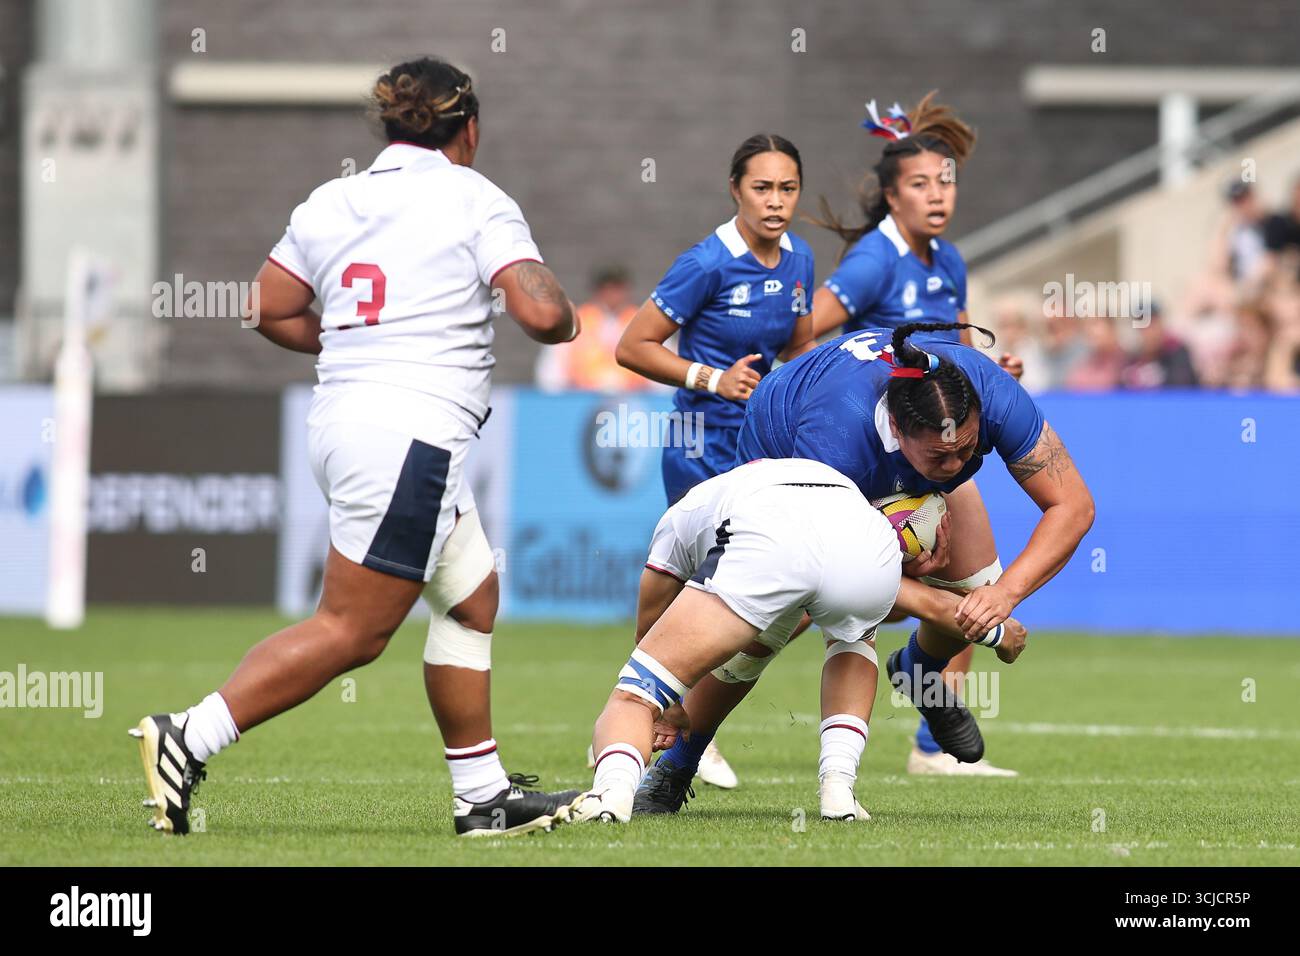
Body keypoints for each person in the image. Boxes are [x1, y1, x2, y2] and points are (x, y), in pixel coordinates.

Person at [130, 57, 583, 838]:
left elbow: (269, 307)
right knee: (352, 630)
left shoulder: (332, 199)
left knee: (472, 599)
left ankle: (481, 797)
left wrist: (353, 345)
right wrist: (559, 308)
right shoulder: (476, 198)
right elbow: (542, 317)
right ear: (468, 129)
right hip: (412, 434)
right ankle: (188, 736)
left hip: (345, 423)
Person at [559, 457, 1025, 825]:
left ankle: (613, 795)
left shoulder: (688, 512)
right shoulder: (850, 487)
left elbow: (654, 602)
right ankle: (838, 791)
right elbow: (922, 604)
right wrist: (1000, 628)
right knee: (853, 638)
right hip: (855, 539)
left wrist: (666, 695)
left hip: (770, 546)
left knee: (638, 692)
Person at [791, 91, 1022, 775]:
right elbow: (803, 336)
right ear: (893, 197)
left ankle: (931, 742)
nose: (937, 195)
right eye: (920, 184)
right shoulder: (874, 260)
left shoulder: (946, 260)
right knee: (799, 601)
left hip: (935, 446)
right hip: (872, 450)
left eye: (945, 181)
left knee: (974, 580)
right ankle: (690, 710)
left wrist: (990, 365)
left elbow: (957, 345)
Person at [604, 133, 817, 789]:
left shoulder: (802, 261)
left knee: (778, 601)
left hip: (763, 452)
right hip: (700, 443)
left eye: (787, 188)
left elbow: (804, 353)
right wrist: (711, 378)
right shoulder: (706, 263)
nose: (776, 202)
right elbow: (632, 345)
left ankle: (669, 723)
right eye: (762, 188)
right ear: (735, 190)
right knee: (703, 594)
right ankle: (659, 722)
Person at [534, 265, 653, 392]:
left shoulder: (643, 321)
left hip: (635, 401)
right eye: (607, 289)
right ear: (597, 291)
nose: (612, 294)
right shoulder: (575, 321)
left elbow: (659, 366)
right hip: (582, 399)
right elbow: (552, 372)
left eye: (617, 288)